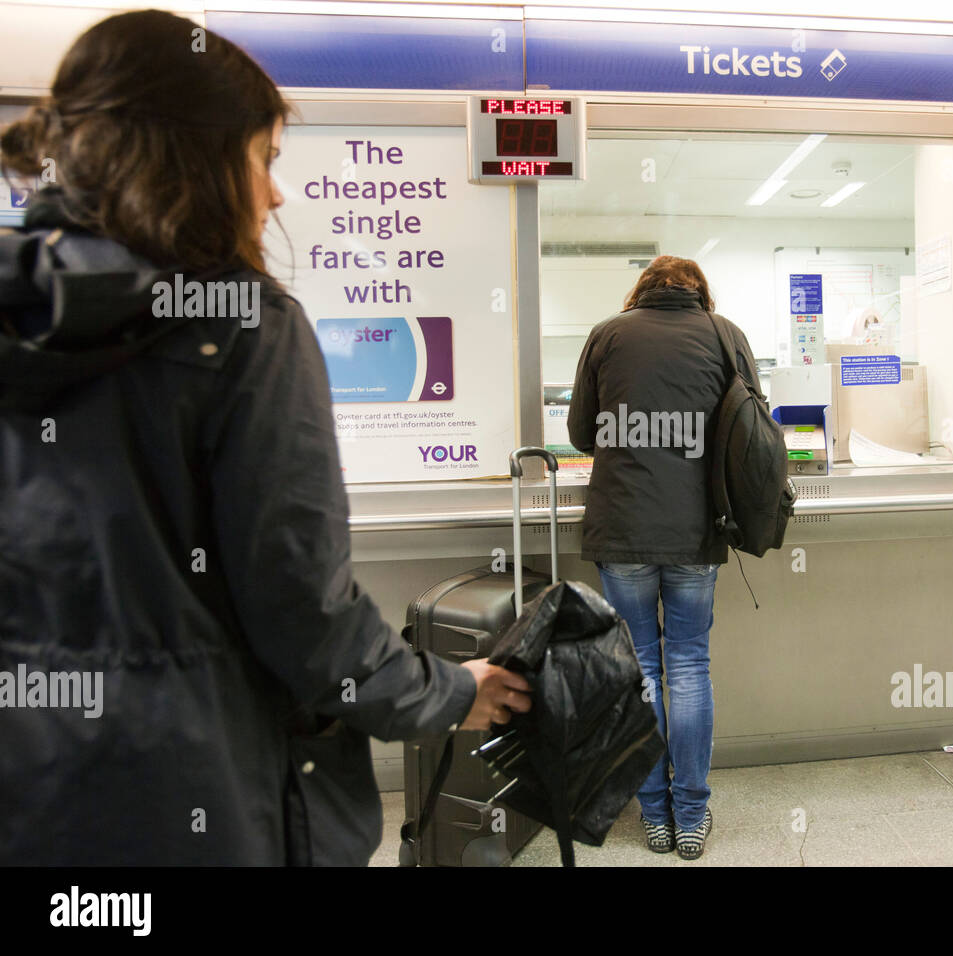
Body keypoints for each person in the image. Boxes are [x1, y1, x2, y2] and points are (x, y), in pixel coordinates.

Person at [0, 10, 530, 866]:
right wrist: (442, 693)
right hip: (199, 793)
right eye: (266, 159)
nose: (275, 194)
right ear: (198, 160)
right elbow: (303, 614)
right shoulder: (242, 324)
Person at [567, 255, 761, 860]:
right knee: (689, 667)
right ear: (700, 292)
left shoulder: (607, 334)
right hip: (696, 533)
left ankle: (654, 815)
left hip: (622, 530)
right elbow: (753, 423)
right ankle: (692, 814)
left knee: (641, 671)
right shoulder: (725, 334)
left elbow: (579, 433)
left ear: (641, 290)